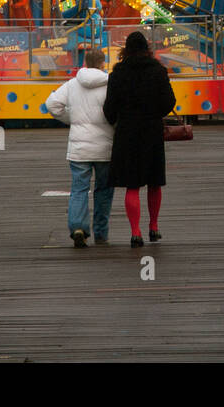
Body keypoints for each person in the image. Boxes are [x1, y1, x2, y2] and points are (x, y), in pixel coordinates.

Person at [103, 31, 176, 247]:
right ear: (147, 48)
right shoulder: (158, 71)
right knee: (154, 183)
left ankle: (136, 232)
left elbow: (109, 109)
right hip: (152, 131)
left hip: (127, 132)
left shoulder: (117, 74)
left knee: (132, 185)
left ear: (125, 50)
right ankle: (154, 227)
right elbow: (169, 102)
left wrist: (117, 119)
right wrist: (155, 114)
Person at [45, 47, 115, 247]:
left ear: (85, 62)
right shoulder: (110, 84)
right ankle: (101, 232)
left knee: (79, 189)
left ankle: (78, 227)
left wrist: (71, 119)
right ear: (103, 63)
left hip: (79, 148)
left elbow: (52, 105)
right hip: (105, 147)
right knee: (104, 190)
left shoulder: (72, 84)